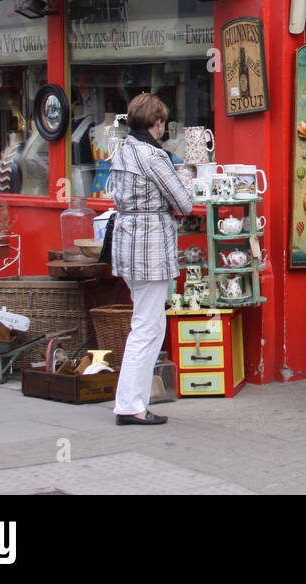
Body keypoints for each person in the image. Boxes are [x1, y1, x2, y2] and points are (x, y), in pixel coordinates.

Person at [107, 93, 193, 425]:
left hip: (128, 242)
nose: (163, 128)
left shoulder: (123, 150)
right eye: (162, 123)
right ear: (156, 123)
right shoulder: (153, 156)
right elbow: (183, 201)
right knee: (147, 326)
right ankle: (130, 405)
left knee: (148, 324)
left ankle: (133, 401)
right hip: (150, 248)